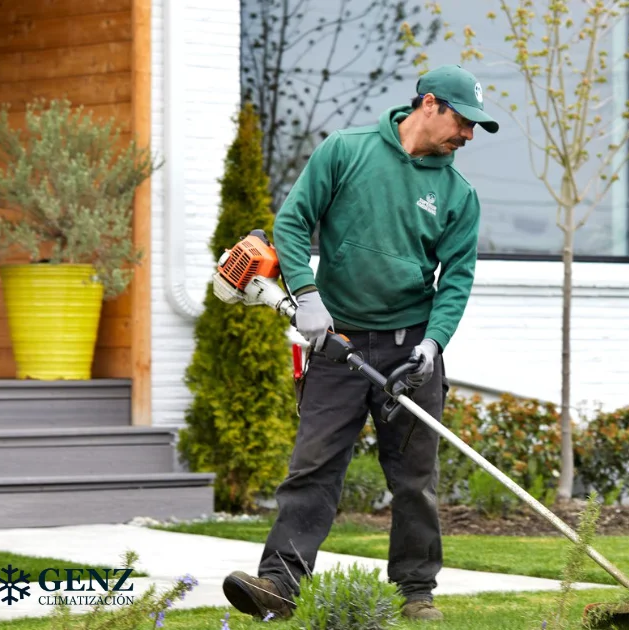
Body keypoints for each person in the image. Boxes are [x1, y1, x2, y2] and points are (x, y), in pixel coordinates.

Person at [221, 64, 498, 623]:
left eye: (473, 127)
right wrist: (308, 295)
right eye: (463, 122)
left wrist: (432, 346)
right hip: (335, 343)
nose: (468, 136)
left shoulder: (458, 194)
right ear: (429, 105)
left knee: (414, 480)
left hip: (409, 349)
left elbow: (458, 279)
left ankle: (417, 593)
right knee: (313, 467)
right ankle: (278, 584)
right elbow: (294, 223)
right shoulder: (346, 151)